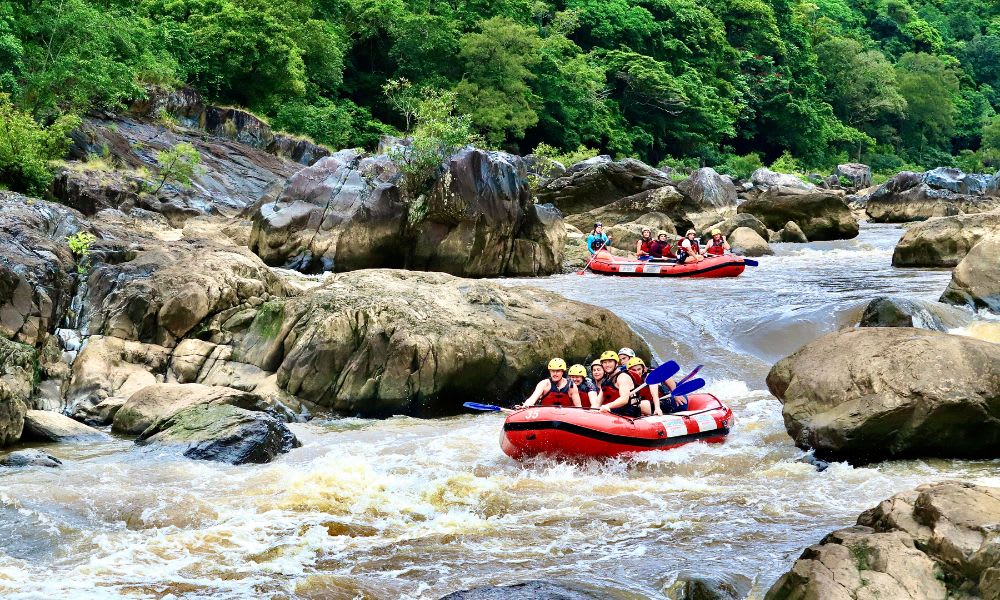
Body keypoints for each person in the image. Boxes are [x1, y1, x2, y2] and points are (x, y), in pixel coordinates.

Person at [597, 350, 638, 416]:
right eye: (605, 362)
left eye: (610, 362)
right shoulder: (606, 380)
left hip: (628, 415)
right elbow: (597, 402)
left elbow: (624, 399)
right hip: (614, 413)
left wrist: (607, 406)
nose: (607, 365)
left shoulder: (622, 377)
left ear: (616, 363)